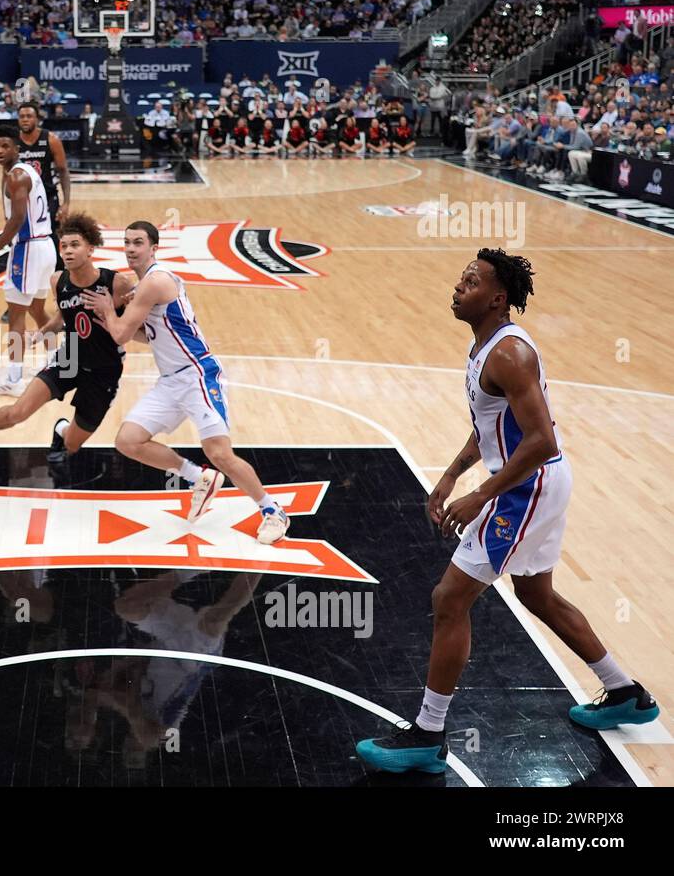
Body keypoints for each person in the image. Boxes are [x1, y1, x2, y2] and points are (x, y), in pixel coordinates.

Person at [356, 250, 660, 773]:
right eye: (461, 277)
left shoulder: (509, 355)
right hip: (532, 484)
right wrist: (454, 473)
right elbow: (492, 426)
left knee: (450, 598)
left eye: (470, 281)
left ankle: (427, 735)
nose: (458, 286)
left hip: (528, 489)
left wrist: (481, 495)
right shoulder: (486, 348)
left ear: (497, 298)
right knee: (536, 593)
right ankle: (625, 692)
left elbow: (540, 440)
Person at [79, 222, 290, 543]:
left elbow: (122, 333)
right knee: (128, 440)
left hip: (198, 374)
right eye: (126, 242)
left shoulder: (155, 282)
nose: (131, 248)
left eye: (138, 242)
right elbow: (145, 336)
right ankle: (199, 477)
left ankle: (272, 510)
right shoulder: (143, 288)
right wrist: (110, 321)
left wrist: (109, 313)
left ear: (154, 248)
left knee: (219, 452)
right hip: (171, 381)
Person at [0, 211, 132, 481]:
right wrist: (40, 333)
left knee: (72, 444)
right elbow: (62, 317)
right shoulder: (59, 281)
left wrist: (111, 316)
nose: (67, 251)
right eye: (64, 246)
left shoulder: (116, 284)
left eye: (75, 245)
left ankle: (61, 431)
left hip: (105, 369)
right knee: (18, 411)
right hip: (71, 358)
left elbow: (133, 326)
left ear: (91, 248)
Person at [0, 125, 56, 396]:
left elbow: (17, 218)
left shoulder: (17, 176)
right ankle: (60, 363)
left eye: (5, 146)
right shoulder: (28, 170)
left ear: (18, 148)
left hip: (29, 249)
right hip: (45, 246)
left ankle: (14, 379)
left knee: (16, 315)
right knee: (38, 311)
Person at [14, 101, 71, 264]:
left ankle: (58, 273)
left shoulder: (51, 139)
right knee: (22, 238)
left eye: (29, 116)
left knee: (51, 237)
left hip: (46, 197)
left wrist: (66, 203)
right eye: (22, 116)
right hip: (21, 200)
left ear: (37, 119)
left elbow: (63, 172)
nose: (25, 120)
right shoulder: (13, 142)